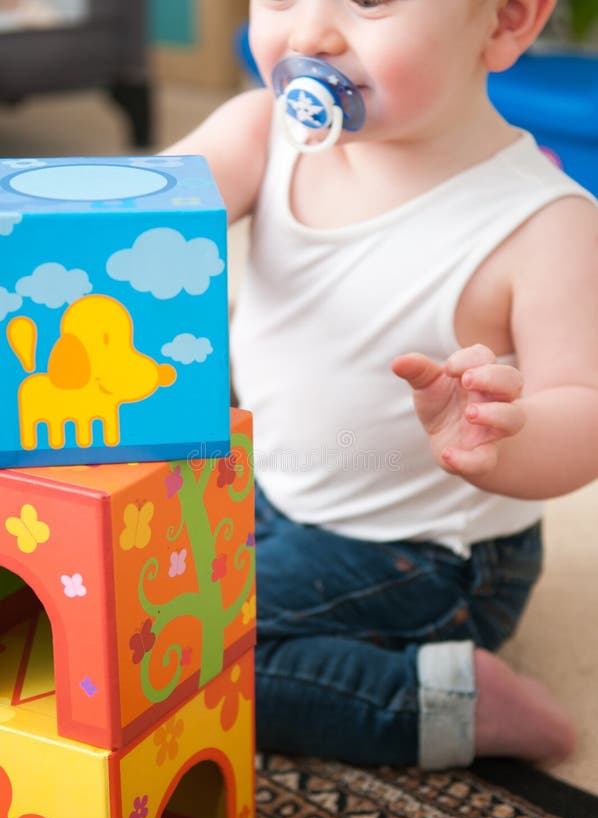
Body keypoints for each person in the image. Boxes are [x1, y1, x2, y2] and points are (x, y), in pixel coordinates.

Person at [165, 0, 598, 769]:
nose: (310, 33)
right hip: (269, 493)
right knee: (114, 589)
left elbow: (585, 407)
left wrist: (503, 440)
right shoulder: (261, 130)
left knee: (164, 652)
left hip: (429, 559)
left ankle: (446, 701)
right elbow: (146, 211)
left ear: (505, 20)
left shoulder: (543, 224)